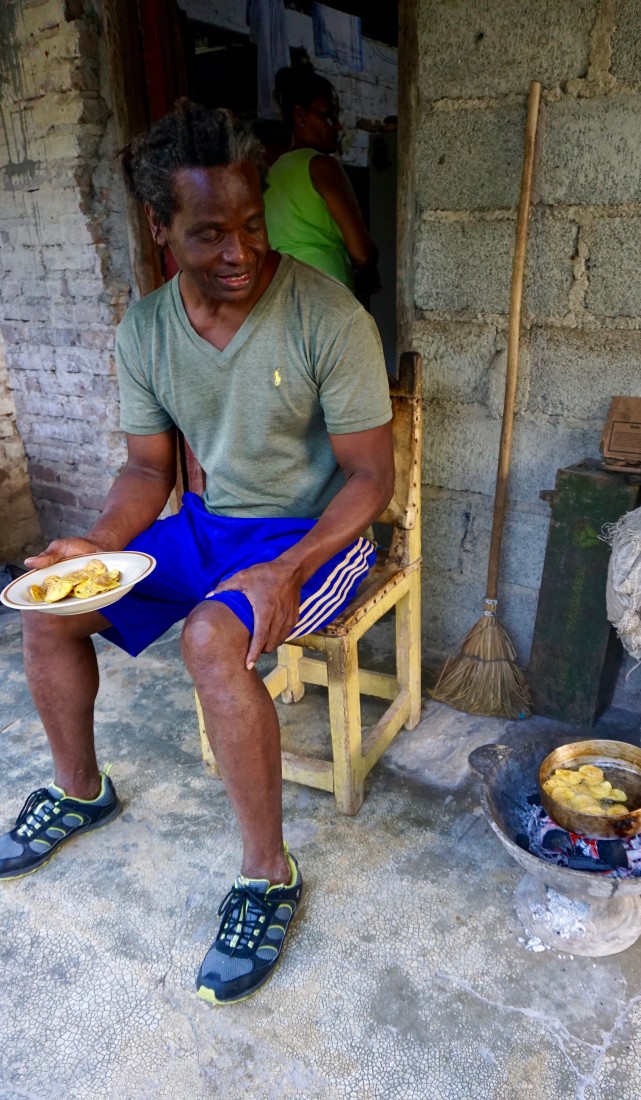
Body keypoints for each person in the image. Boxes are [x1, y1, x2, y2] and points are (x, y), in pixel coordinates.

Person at [1, 100, 394, 1005]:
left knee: (211, 641)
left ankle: (268, 878)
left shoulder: (326, 317)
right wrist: (96, 542)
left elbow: (370, 477)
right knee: (48, 602)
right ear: (158, 227)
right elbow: (148, 468)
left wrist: (287, 567)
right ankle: (79, 789)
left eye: (250, 224)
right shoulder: (145, 330)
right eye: (209, 232)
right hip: (210, 529)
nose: (239, 251)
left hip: (317, 535)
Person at [264, 62, 380, 295]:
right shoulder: (321, 166)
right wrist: (370, 273)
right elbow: (362, 252)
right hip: (328, 296)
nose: (337, 126)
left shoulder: (270, 171)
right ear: (300, 115)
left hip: (283, 296)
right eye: (328, 116)